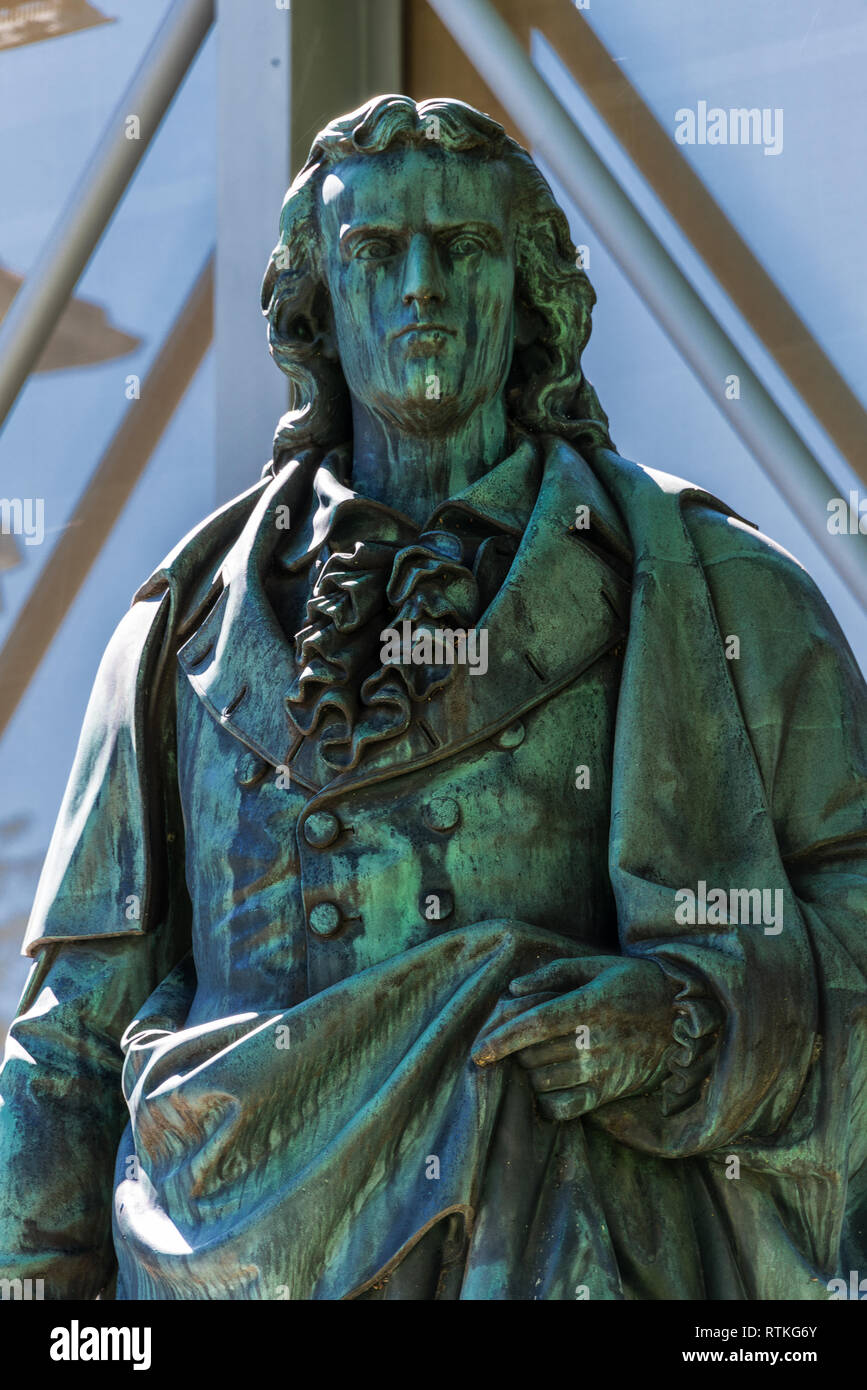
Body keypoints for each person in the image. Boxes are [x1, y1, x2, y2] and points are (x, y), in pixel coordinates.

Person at [1, 95, 865, 1301]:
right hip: (226, 1261)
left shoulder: (716, 594)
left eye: (462, 250)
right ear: (319, 303)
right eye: (377, 252)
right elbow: (67, 1046)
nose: (421, 286)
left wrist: (687, 1021)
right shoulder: (175, 633)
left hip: (550, 1245)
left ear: (528, 296)